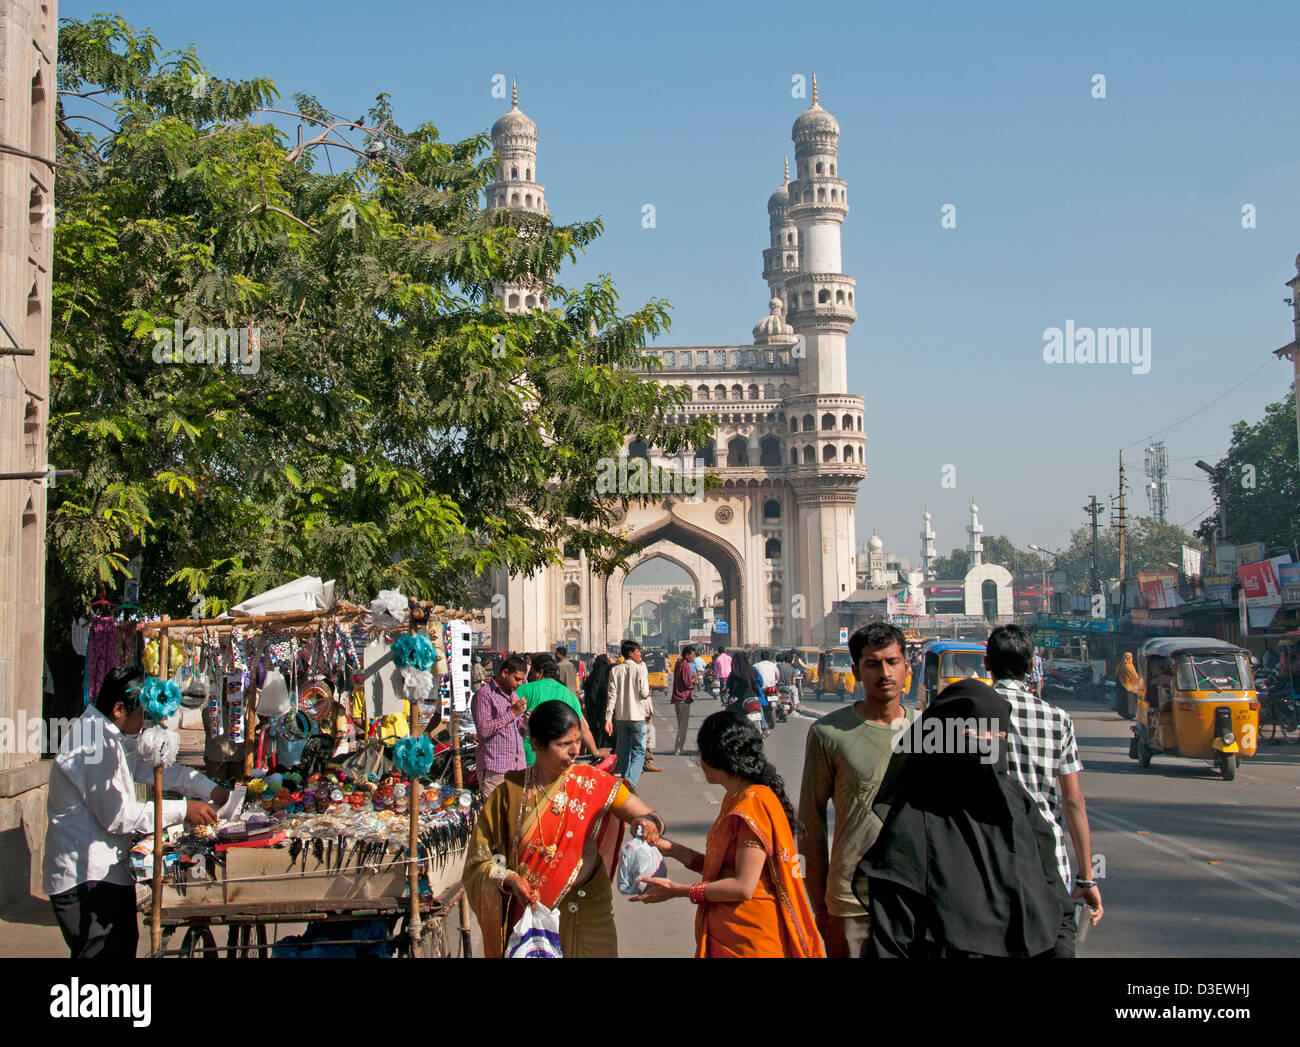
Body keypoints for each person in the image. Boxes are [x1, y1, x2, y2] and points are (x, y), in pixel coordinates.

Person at [855, 678, 1073, 958]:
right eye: (974, 738)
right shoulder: (912, 829)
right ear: (945, 740)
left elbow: (1060, 908)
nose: (988, 747)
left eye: (998, 739)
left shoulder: (1020, 809)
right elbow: (891, 944)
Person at [45, 665, 225, 958]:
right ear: (119, 709)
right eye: (141, 711)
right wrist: (183, 810)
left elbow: (151, 769)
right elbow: (120, 816)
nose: (144, 721)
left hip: (107, 875)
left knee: (123, 945)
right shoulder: (91, 742)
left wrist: (209, 790)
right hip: (86, 878)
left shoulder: (110, 734)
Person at [463, 701, 667, 957]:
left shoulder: (591, 782)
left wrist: (647, 824)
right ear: (537, 745)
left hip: (589, 913)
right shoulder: (509, 795)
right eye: (563, 745)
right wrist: (509, 878)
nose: (574, 751)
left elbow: (649, 815)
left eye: (577, 741)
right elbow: (479, 862)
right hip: (534, 922)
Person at [632, 710, 824, 958]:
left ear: (717, 756)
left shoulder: (751, 804)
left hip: (751, 940)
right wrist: (669, 848)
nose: (699, 760)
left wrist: (678, 890)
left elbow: (743, 886)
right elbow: (721, 868)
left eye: (702, 752)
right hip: (733, 934)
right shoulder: (736, 797)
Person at [798, 622, 917, 958]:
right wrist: (818, 899)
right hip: (851, 898)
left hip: (915, 896)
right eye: (872, 663)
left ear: (907, 666)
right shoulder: (829, 733)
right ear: (856, 671)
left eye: (893, 661)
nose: (885, 672)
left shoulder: (928, 731)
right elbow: (811, 820)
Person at [984, 624, 1103, 938]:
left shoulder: (968, 715)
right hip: (1046, 860)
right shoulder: (1057, 718)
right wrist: (1087, 878)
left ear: (987, 664)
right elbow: (1073, 800)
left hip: (984, 861)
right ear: (1029, 666)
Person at [517, 654, 597, 764]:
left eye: (531, 672)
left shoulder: (524, 690)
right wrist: (595, 753)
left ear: (539, 673)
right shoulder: (569, 695)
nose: (529, 676)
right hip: (558, 758)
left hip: (528, 756)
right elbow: (583, 728)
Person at [472, 655, 528, 799]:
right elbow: (483, 730)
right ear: (504, 673)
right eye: (516, 678)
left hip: (517, 767)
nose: (520, 683)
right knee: (494, 818)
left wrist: (526, 724)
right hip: (495, 769)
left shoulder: (514, 695)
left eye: (521, 679)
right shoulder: (484, 695)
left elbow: (517, 732)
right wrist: (512, 713)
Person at [604, 640, 653, 786]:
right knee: (639, 750)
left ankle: (626, 779)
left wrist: (608, 719)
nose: (640, 654)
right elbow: (644, 692)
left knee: (623, 751)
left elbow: (611, 696)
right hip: (637, 716)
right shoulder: (640, 668)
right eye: (638, 652)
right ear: (631, 654)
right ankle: (630, 782)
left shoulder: (615, 670)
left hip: (620, 717)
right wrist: (648, 693)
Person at [582, 654, 614, 751]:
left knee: (595, 731)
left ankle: (594, 749)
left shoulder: (592, 677)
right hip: (602, 709)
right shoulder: (606, 679)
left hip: (592, 709)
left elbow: (589, 691)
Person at [671, 645, 697, 756]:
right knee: (683, 725)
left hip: (677, 698)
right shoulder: (685, 665)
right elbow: (688, 683)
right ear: (687, 655)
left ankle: (679, 747)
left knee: (680, 723)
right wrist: (694, 680)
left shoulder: (678, 663)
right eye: (692, 655)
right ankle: (678, 748)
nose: (693, 657)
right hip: (683, 698)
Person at [753, 653, 780, 730]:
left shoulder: (756, 665)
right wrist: (775, 681)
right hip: (771, 686)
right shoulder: (773, 665)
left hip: (761, 687)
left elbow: (754, 676)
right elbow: (777, 674)